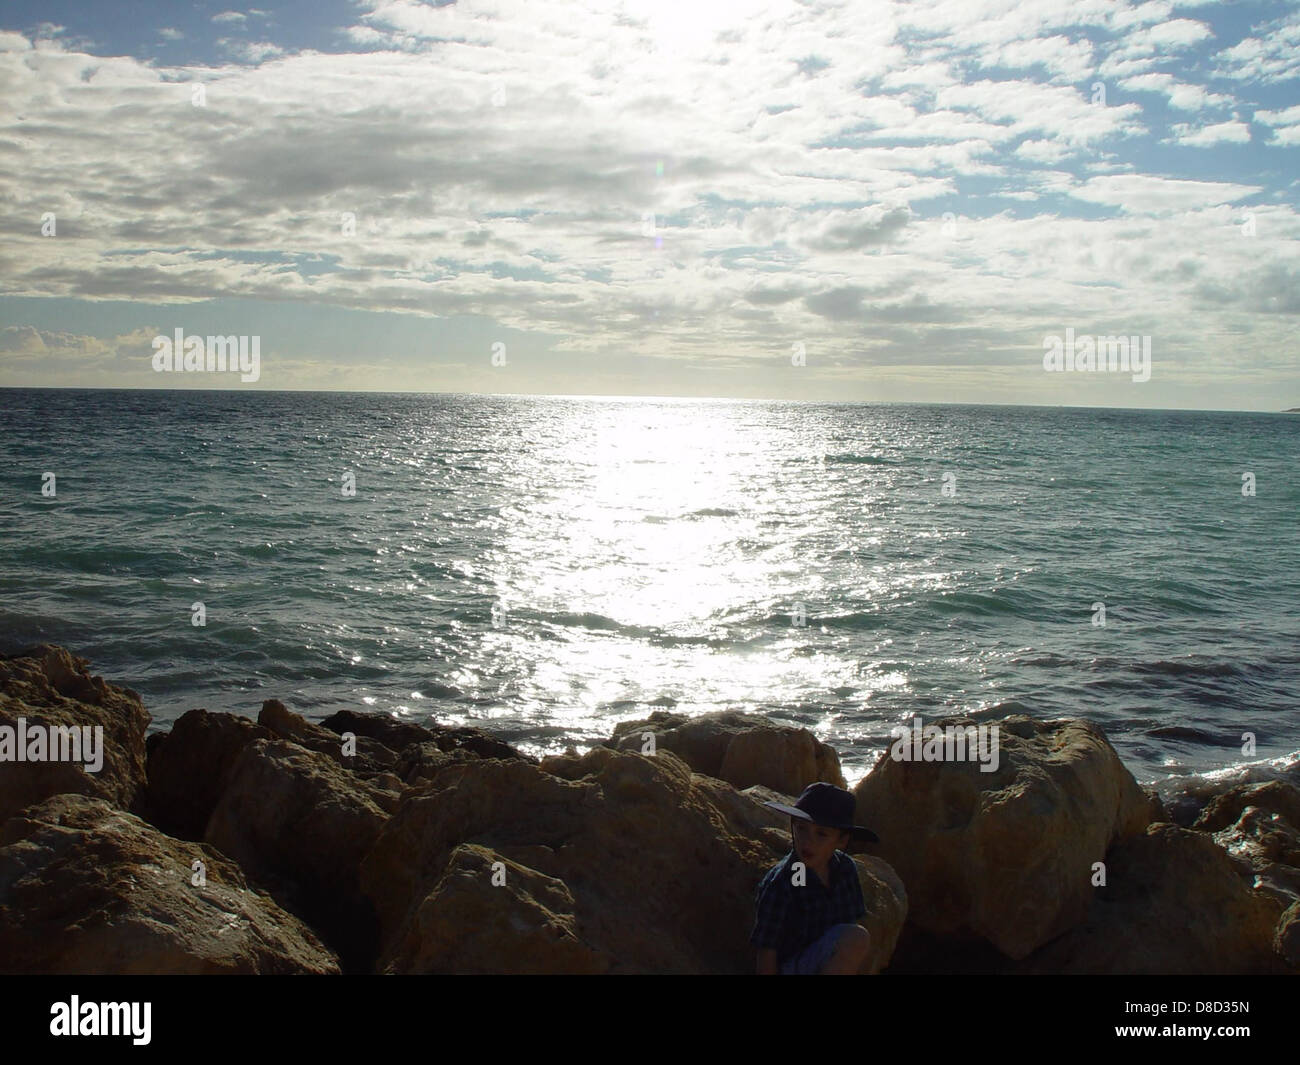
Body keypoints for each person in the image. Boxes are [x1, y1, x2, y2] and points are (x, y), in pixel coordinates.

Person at [750, 781, 879, 974]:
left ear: (842, 840)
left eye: (821, 834)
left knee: (856, 936)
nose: (807, 841)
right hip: (791, 967)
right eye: (801, 829)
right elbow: (766, 950)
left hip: (825, 963)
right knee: (856, 937)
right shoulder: (786, 880)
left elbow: (848, 930)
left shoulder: (844, 870)